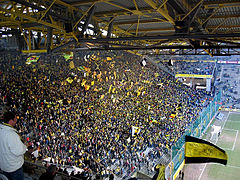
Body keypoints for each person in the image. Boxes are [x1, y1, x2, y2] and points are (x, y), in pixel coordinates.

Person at [0, 111, 27, 180]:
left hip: (4, 166)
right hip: (14, 169)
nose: (16, 120)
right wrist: (24, 146)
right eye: (15, 119)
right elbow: (19, 151)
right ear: (11, 121)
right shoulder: (11, 134)